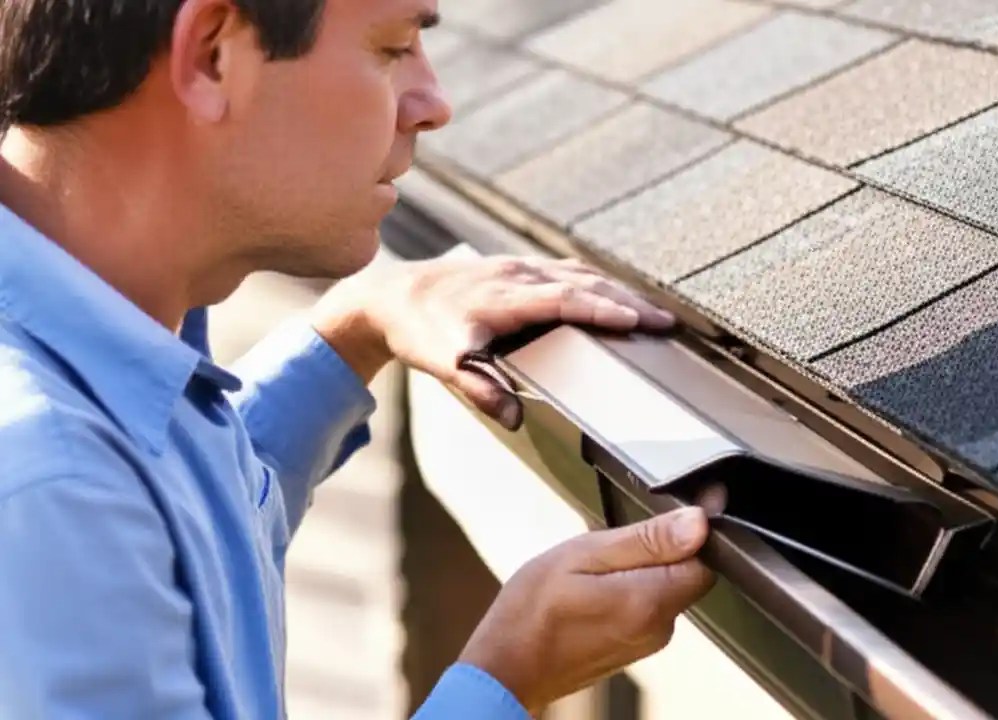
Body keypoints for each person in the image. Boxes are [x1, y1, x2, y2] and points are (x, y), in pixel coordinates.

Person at [0, 1, 716, 718]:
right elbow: (98, 518)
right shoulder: (50, 490)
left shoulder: (100, 388)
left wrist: (354, 329)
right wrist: (508, 678)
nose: (433, 105)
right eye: (393, 47)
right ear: (213, 55)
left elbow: (172, 545)